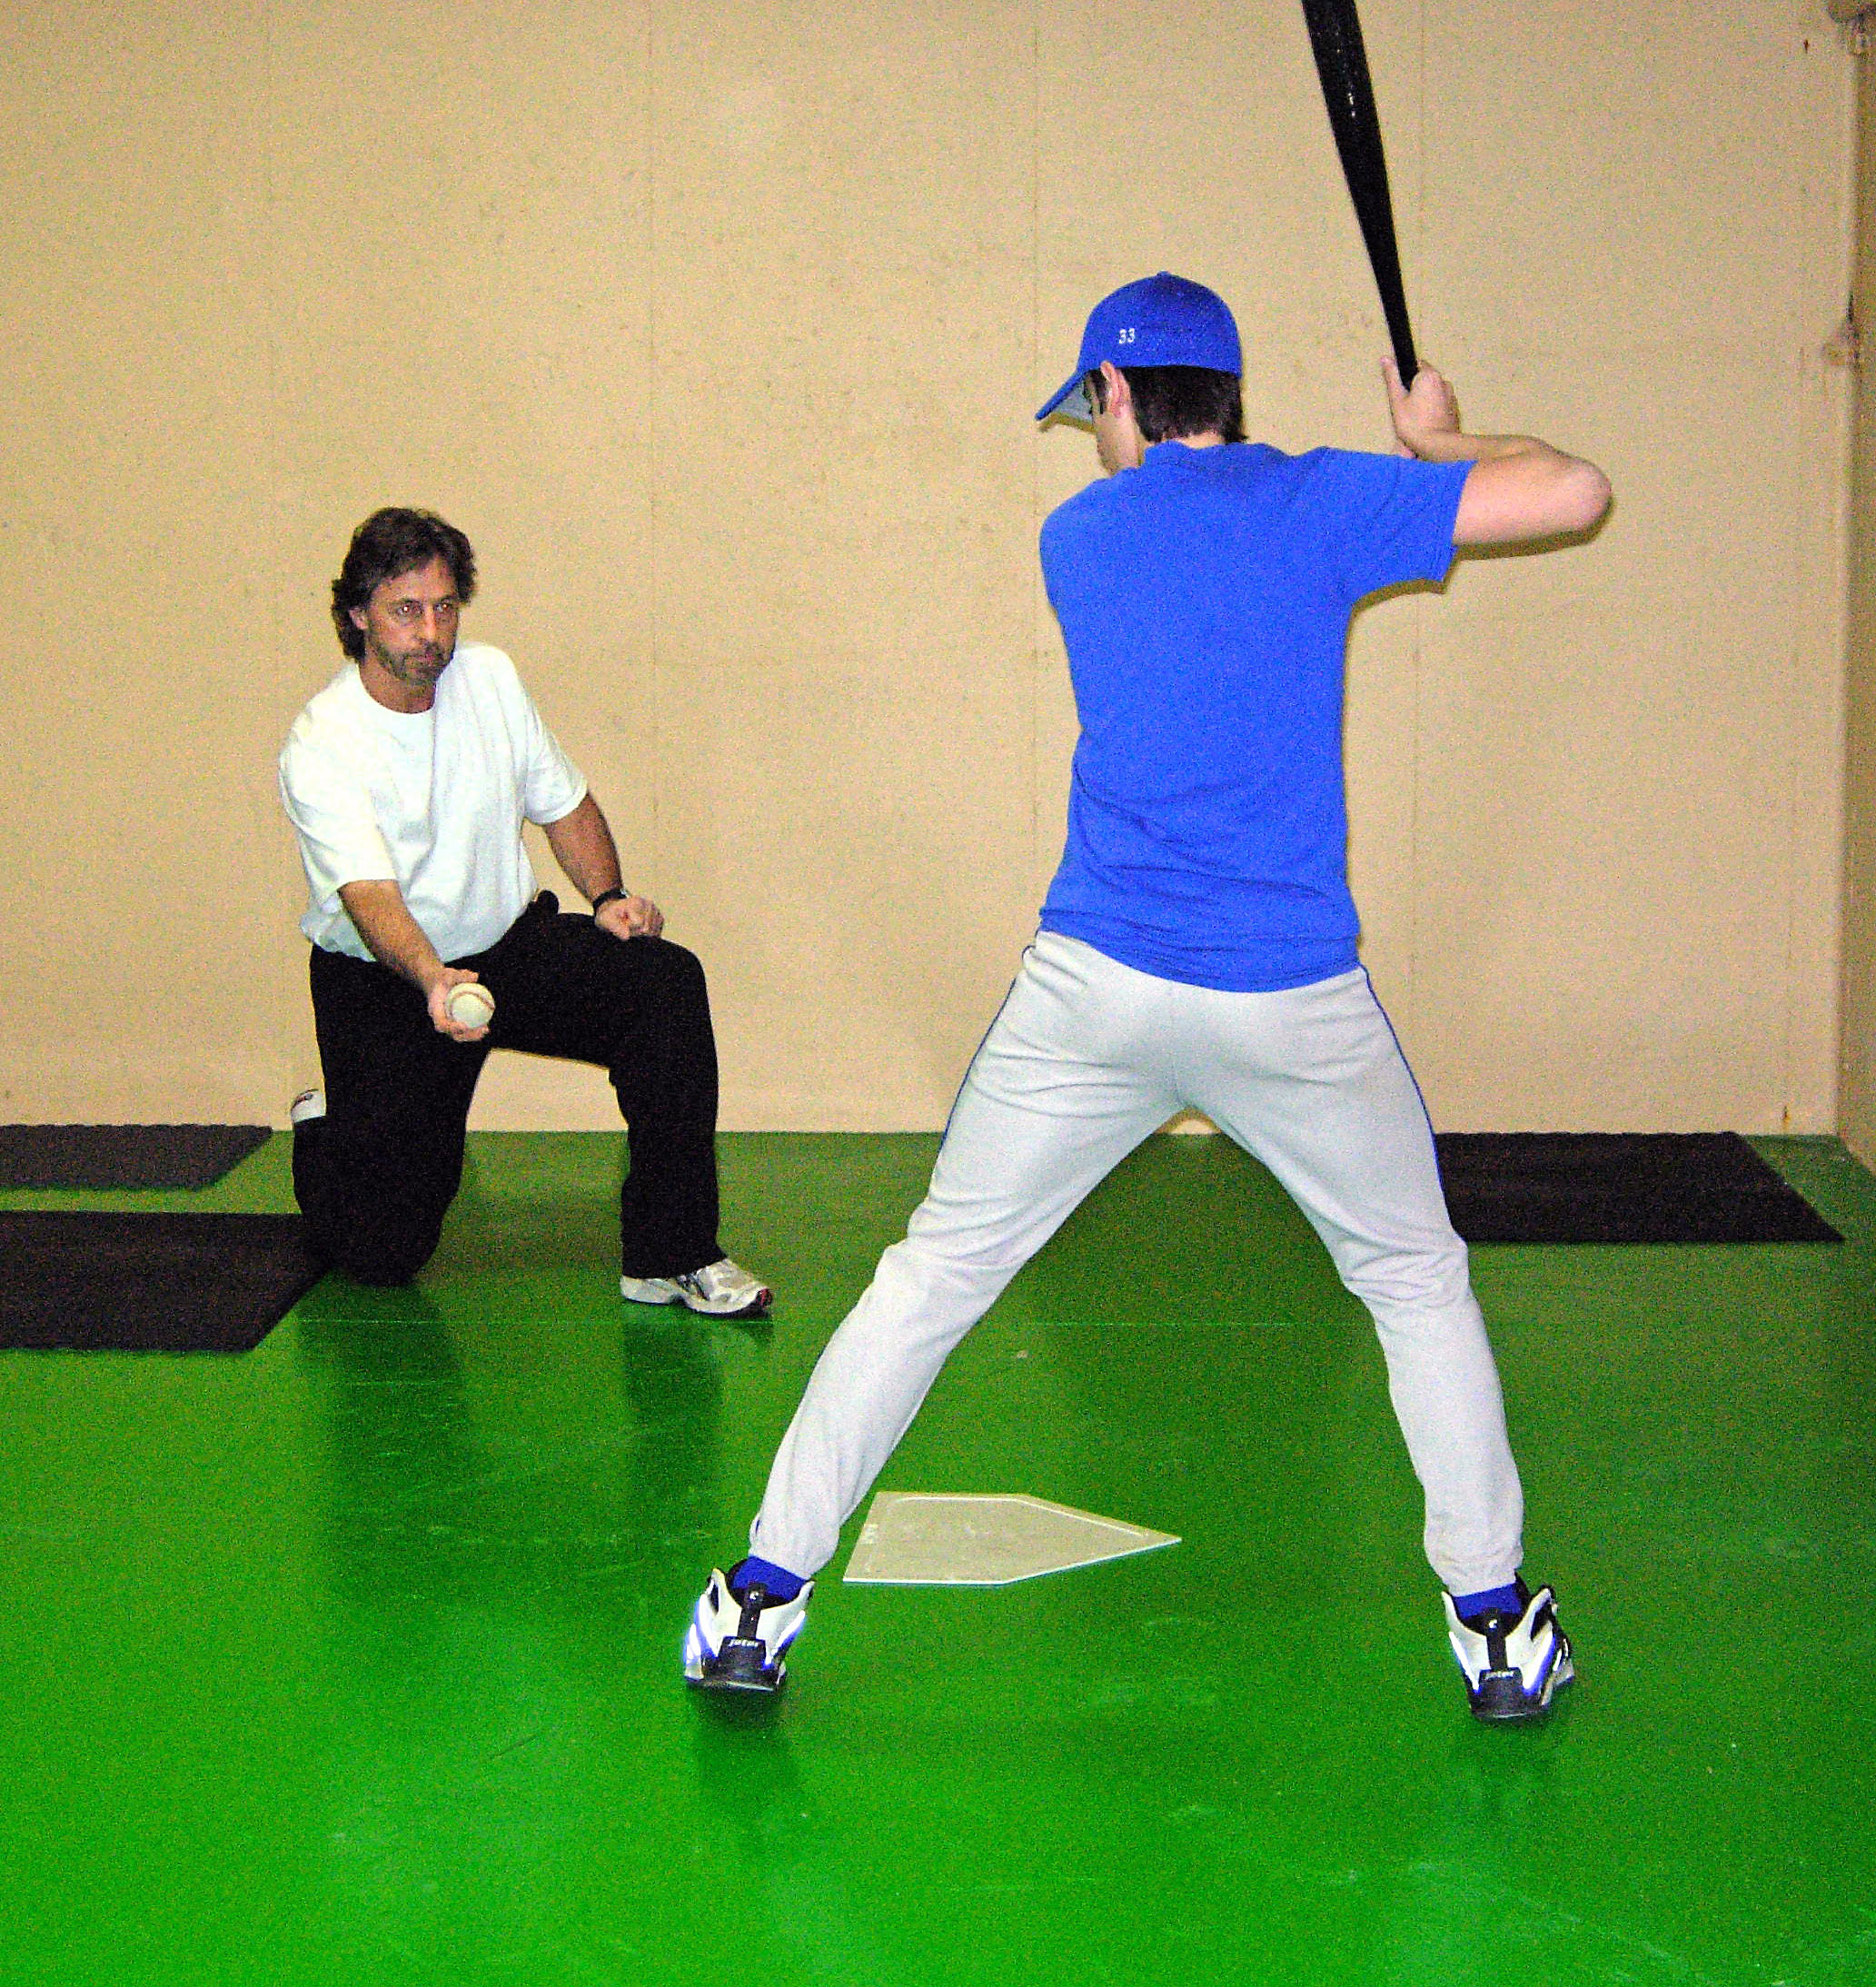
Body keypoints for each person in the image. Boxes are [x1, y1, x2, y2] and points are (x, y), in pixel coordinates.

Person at [684, 273, 1610, 1718]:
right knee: (1414, 1277)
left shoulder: (1079, 535)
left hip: (1093, 989)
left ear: (1116, 396)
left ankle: (759, 1596)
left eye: (1092, 407)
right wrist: (1440, 441)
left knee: (934, 1275)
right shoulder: (1324, 502)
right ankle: (1492, 1617)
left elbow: (1182, 527)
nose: (1092, 434)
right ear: (1225, 390)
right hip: (1291, 1000)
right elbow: (1573, 491)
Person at [280, 506, 769, 1317]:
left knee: (662, 981)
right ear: (359, 613)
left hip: (509, 946)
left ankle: (672, 1252)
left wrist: (607, 898)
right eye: (406, 610)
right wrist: (433, 979)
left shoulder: (489, 679)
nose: (430, 631)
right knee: (381, 1253)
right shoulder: (322, 741)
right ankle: (326, 1132)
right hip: (388, 982)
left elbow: (564, 802)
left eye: (445, 607)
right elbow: (371, 897)